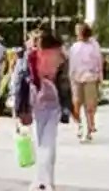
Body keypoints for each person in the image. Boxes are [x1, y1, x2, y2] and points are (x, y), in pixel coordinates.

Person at [20, 28, 72, 191]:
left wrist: (20, 107)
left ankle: (41, 179)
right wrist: (67, 107)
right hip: (54, 101)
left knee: (40, 141)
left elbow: (22, 81)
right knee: (49, 141)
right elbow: (65, 82)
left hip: (36, 101)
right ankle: (48, 180)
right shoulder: (60, 56)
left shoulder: (33, 56)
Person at [69, 22, 104, 143]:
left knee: (90, 105)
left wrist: (100, 76)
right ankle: (79, 125)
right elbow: (72, 64)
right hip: (77, 78)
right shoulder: (74, 47)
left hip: (90, 78)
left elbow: (98, 61)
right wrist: (71, 78)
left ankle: (89, 129)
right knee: (77, 103)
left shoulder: (94, 45)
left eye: (78, 31)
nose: (77, 34)